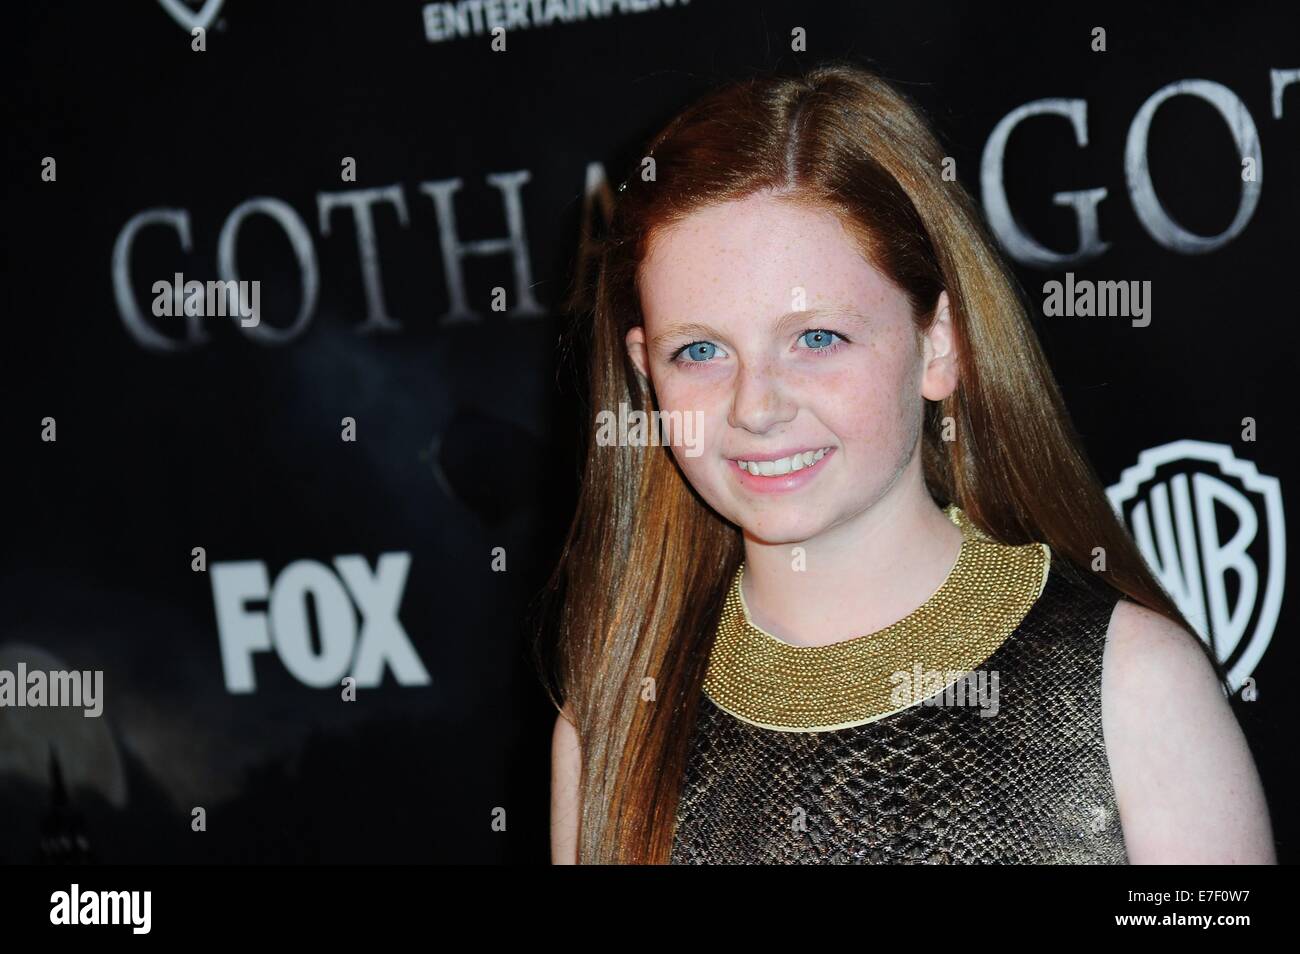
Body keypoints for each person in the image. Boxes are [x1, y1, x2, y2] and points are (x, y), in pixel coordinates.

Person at [541, 62, 1276, 864]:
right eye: (702, 351)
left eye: (817, 338)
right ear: (648, 376)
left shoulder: (1131, 685)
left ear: (939, 344)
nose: (757, 407)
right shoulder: (609, 731)